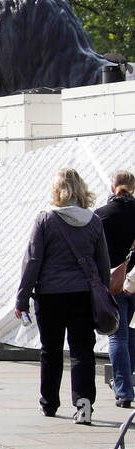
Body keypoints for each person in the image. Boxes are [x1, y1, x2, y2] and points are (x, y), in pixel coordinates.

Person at [15, 168, 110, 424]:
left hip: (50, 295)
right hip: (82, 294)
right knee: (82, 350)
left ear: (57, 190)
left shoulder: (45, 219)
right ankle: (84, 406)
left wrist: (22, 299)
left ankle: (49, 403)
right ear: (81, 190)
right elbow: (103, 263)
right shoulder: (93, 221)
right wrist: (103, 294)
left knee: (51, 350)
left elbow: (32, 261)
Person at [96, 170, 135, 409]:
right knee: (128, 335)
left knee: (118, 335)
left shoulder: (101, 215)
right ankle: (125, 378)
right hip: (134, 281)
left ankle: (124, 391)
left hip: (114, 282)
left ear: (113, 188)